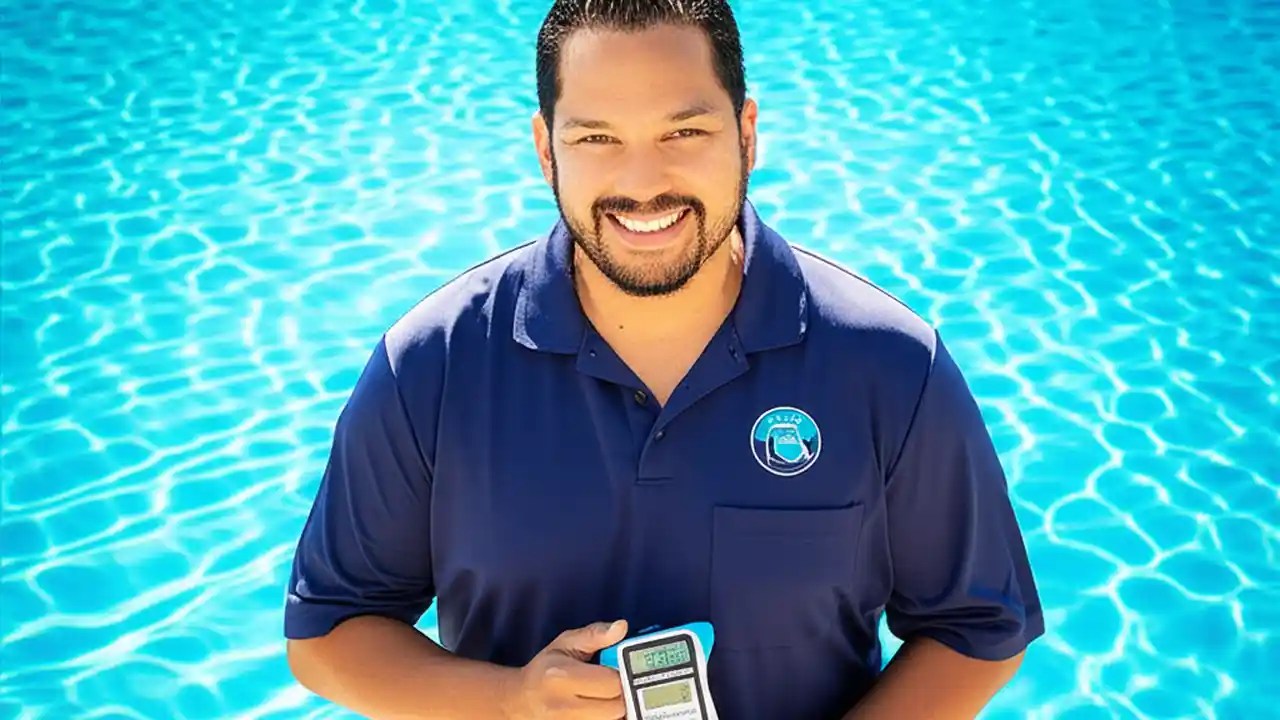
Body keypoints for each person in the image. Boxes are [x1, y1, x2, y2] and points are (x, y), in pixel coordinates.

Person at [282, 1, 1044, 718]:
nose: (643, 185)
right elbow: (330, 635)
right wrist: (507, 701)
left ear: (748, 134)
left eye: (684, 133)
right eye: (596, 138)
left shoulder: (890, 364)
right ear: (546, 148)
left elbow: (975, 627)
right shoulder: (431, 363)